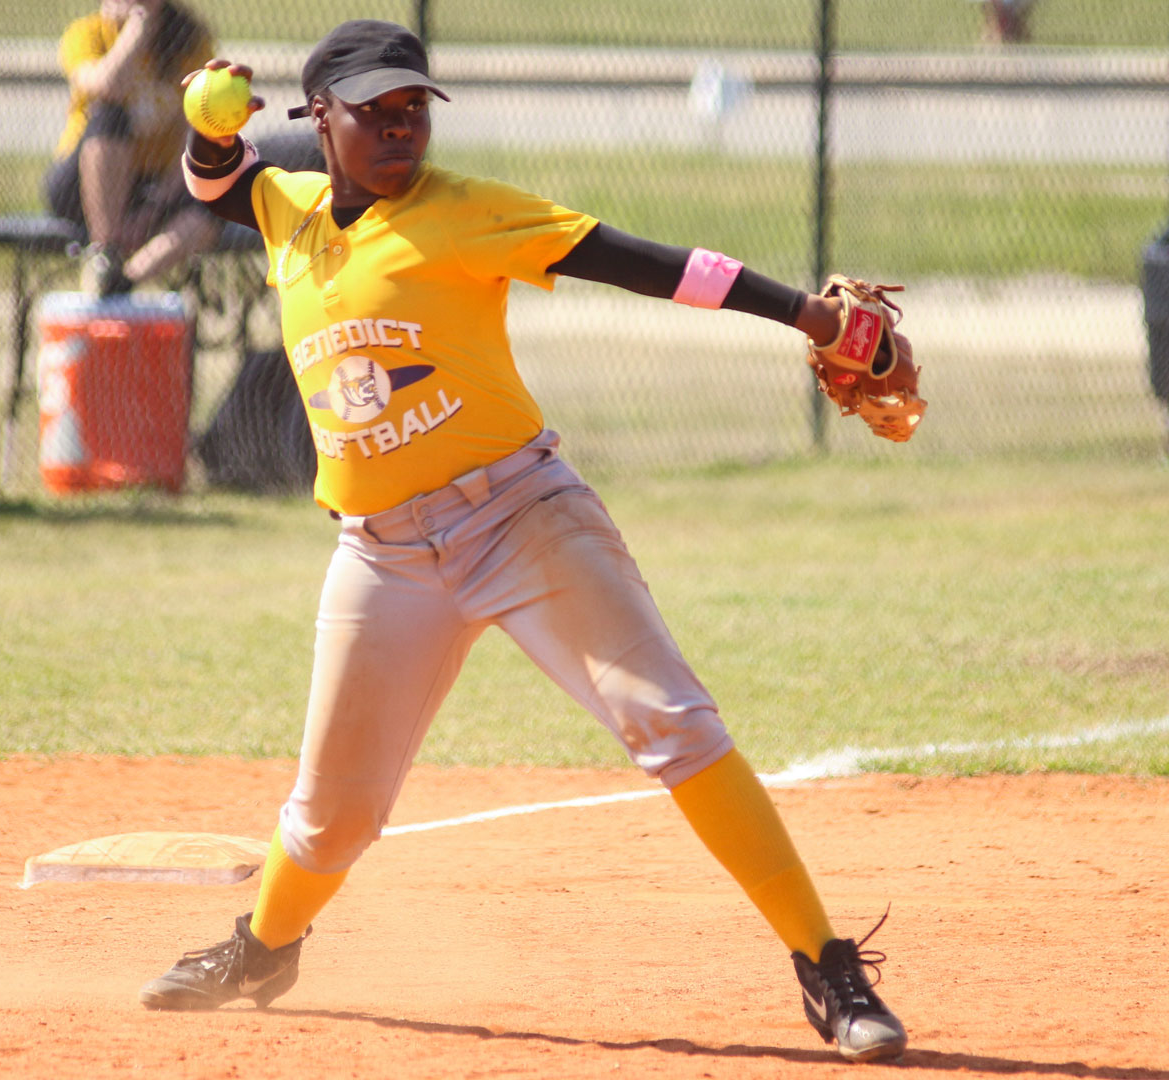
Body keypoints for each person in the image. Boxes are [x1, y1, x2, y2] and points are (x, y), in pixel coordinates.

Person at [137, 20, 912, 1062]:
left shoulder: (469, 212)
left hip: (519, 517)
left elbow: (652, 264)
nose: (402, 126)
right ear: (317, 119)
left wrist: (808, 316)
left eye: (414, 106)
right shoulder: (293, 208)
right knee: (329, 817)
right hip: (382, 556)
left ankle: (828, 968)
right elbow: (217, 185)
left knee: (676, 726)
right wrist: (207, 126)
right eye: (375, 109)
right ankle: (264, 947)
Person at [47, 0, 221, 296]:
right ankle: (105, 255)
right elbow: (108, 85)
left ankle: (122, 280)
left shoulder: (189, 39)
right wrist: (137, 29)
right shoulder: (87, 33)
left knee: (218, 196)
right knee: (109, 115)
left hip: (153, 184)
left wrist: (155, 205)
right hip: (84, 185)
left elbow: (197, 132)